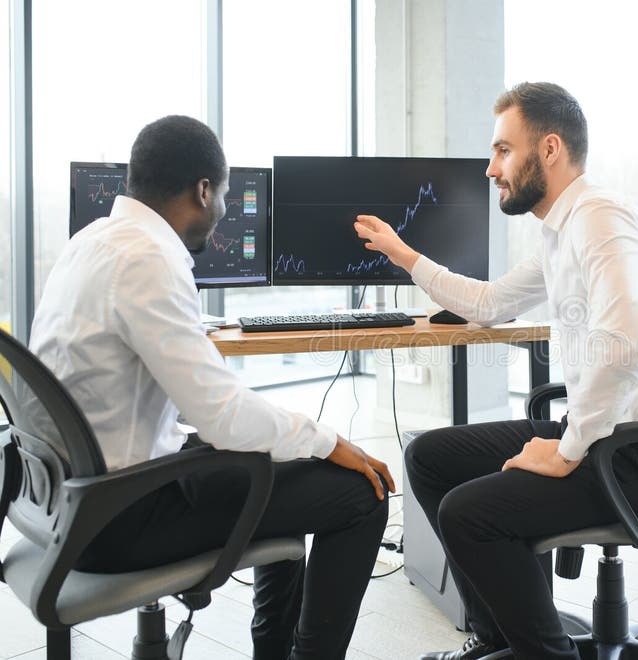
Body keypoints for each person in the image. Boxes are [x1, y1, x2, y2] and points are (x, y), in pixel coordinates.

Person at [353, 82, 638, 660]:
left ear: (548, 149)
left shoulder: (602, 220)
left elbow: (619, 348)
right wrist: (403, 254)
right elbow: (491, 304)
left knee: (469, 514)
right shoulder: (561, 230)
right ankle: (501, 642)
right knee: (429, 458)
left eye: (502, 151)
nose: (491, 169)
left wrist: (566, 451)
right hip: (608, 436)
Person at [30, 115, 395, 660]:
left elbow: (206, 411)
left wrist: (304, 439)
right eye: (223, 195)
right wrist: (330, 440)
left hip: (66, 499)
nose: (224, 210)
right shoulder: (147, 257)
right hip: (118, 518)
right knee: (360, 493)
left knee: (280, 451)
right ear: (203, 190)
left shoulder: (94, 239)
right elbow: (221, 417)